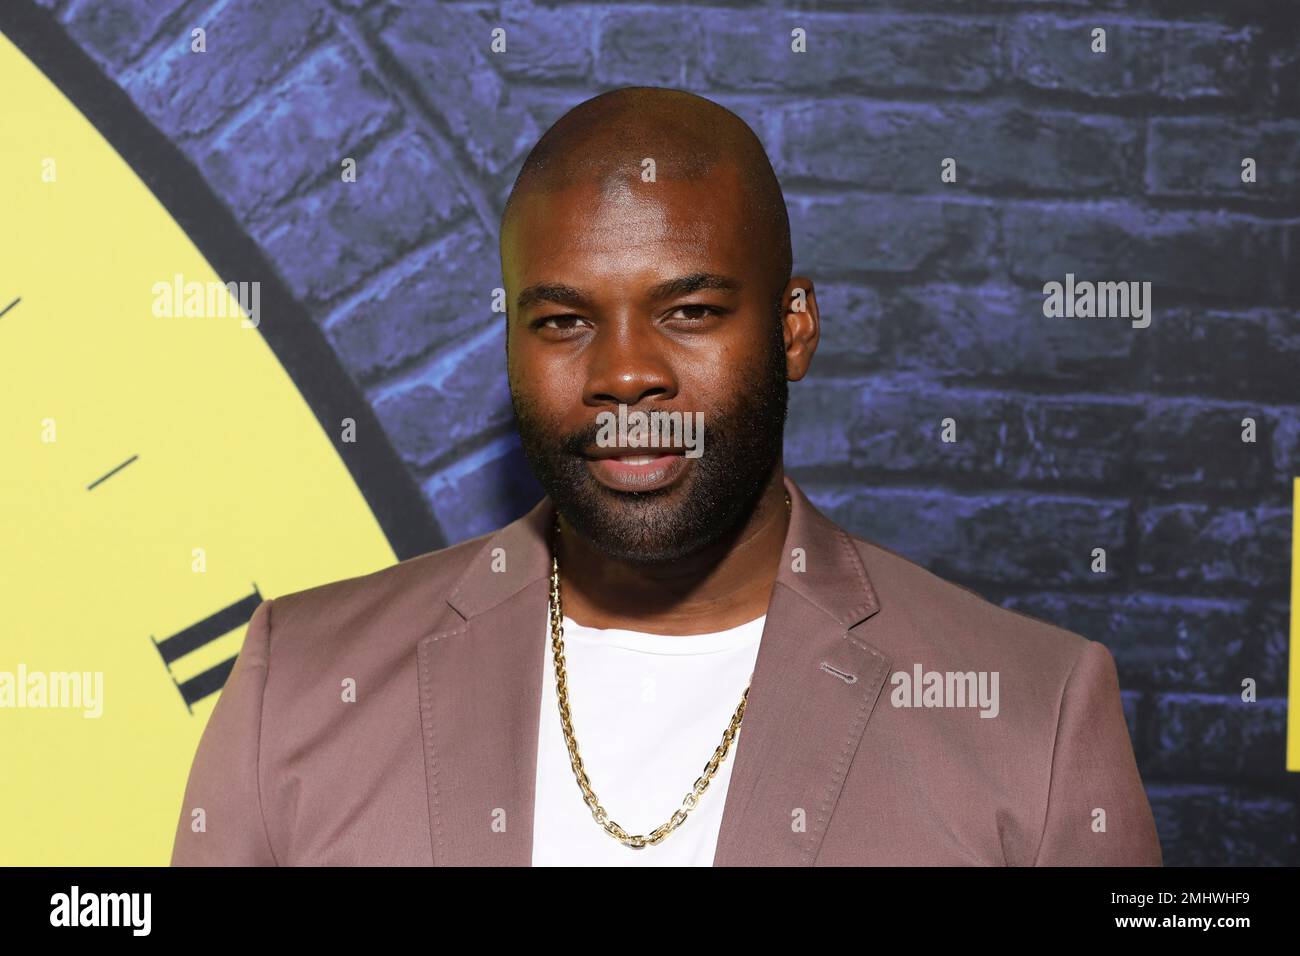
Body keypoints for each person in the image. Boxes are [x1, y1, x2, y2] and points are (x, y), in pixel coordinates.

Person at [171, 86, 1161, 866]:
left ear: (793, 326)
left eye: (688, 310)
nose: (624, 374)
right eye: (563, 320)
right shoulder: (295, 683)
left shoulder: (1030, 714)